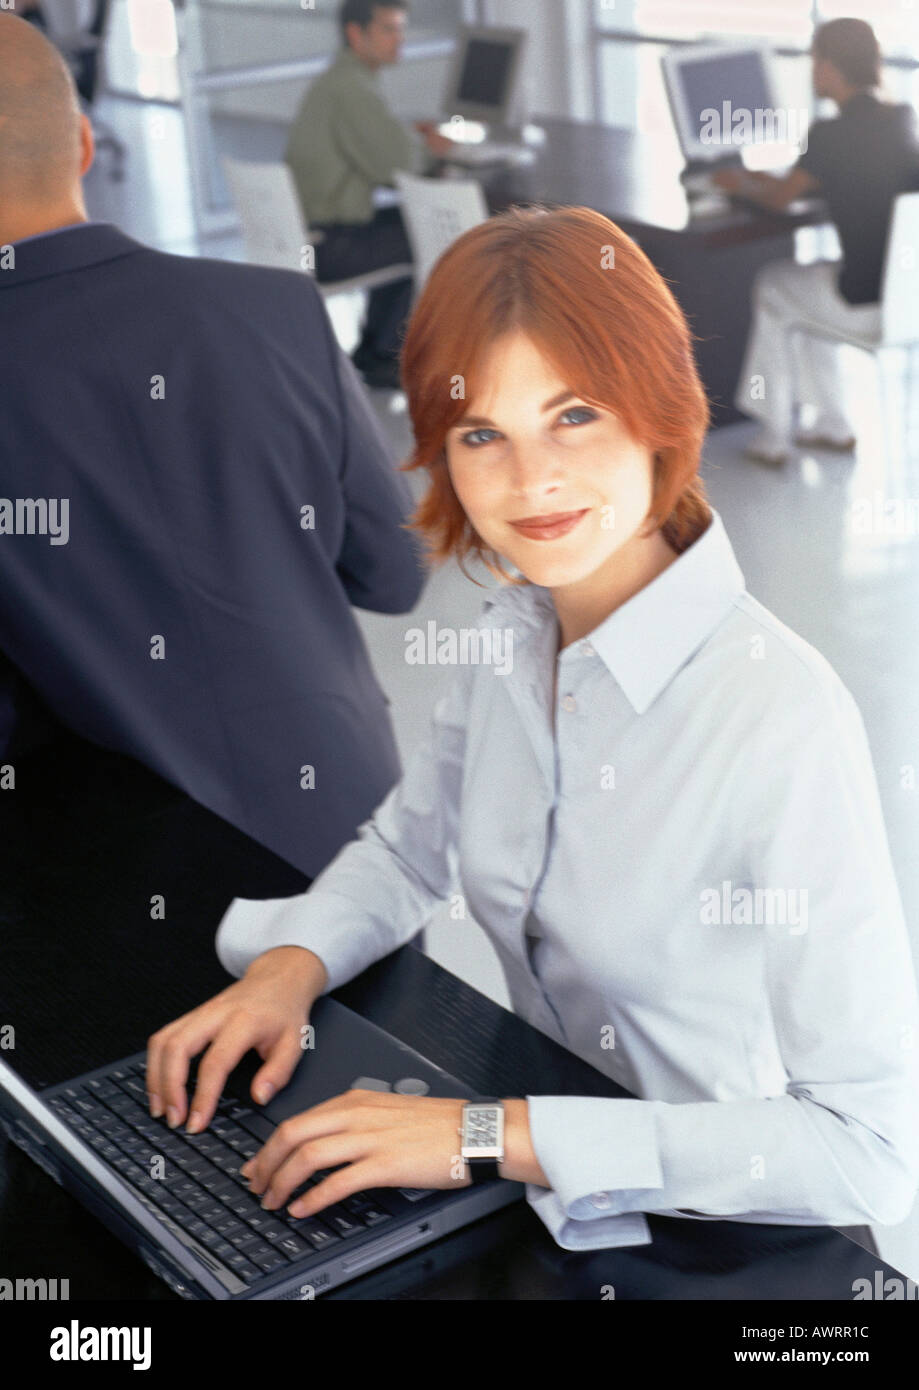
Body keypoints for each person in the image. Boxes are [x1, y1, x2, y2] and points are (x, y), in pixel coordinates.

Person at [145, 204, 919, 1254]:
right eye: (481, 435)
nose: (530, 482)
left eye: (573, 416)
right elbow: (407, 849)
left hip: (731, 1239)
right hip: (541, 1192)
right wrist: (293, 963)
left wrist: (486, 1135)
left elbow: (868, 1146)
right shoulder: (514, 633)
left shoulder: (777, 713)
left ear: (657, 411)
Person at [0, 15, 426, 883]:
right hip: (350, 835)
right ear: (84, 145)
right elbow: (395, 572)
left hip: (121, 878)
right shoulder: (278, 311)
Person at [715, 17, 919, 463]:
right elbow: (839, 178)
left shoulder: (829, 135)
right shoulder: (903, 119)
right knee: (805, 293)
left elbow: (779, 198)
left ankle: (772, 434)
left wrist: (739, 185)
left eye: (814, 62)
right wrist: (767, 179)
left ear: (829, 68)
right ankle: (832, 423)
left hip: (864, 305)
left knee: (774, 284)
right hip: (909, 301)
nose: (812, 72)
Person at [285, 0, 457, 391]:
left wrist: (412, 141)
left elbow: (379, 151)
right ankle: (382, 354)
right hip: (328, 244)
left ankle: (375, 349)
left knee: (405, 222)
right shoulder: (352, 89)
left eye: (401, 29)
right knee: (425, 232)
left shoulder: (340, 81)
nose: (400, 40)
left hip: (314, 235)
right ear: (355, 34)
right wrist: (434, 148)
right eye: (389, 30)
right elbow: (397, 168)